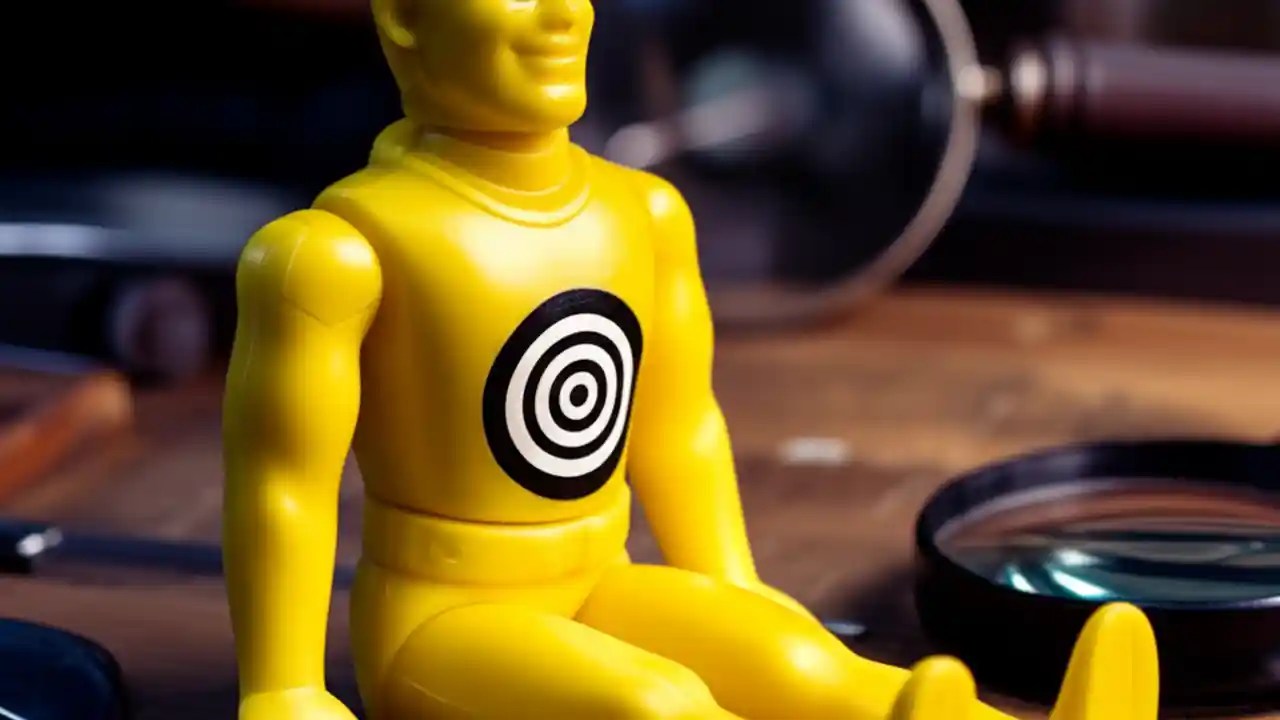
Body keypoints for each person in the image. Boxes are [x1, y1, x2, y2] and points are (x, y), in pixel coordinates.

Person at [221, 1, 1159, 718]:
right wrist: (283, 688)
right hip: (438, 622)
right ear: (401, 15)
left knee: (801, 664)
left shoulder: (642, 214)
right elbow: (281, 482)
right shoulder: (341, 248)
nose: (563, 16)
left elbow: (679, 428)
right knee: (656, 705)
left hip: (599, 577)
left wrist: (733, 591)